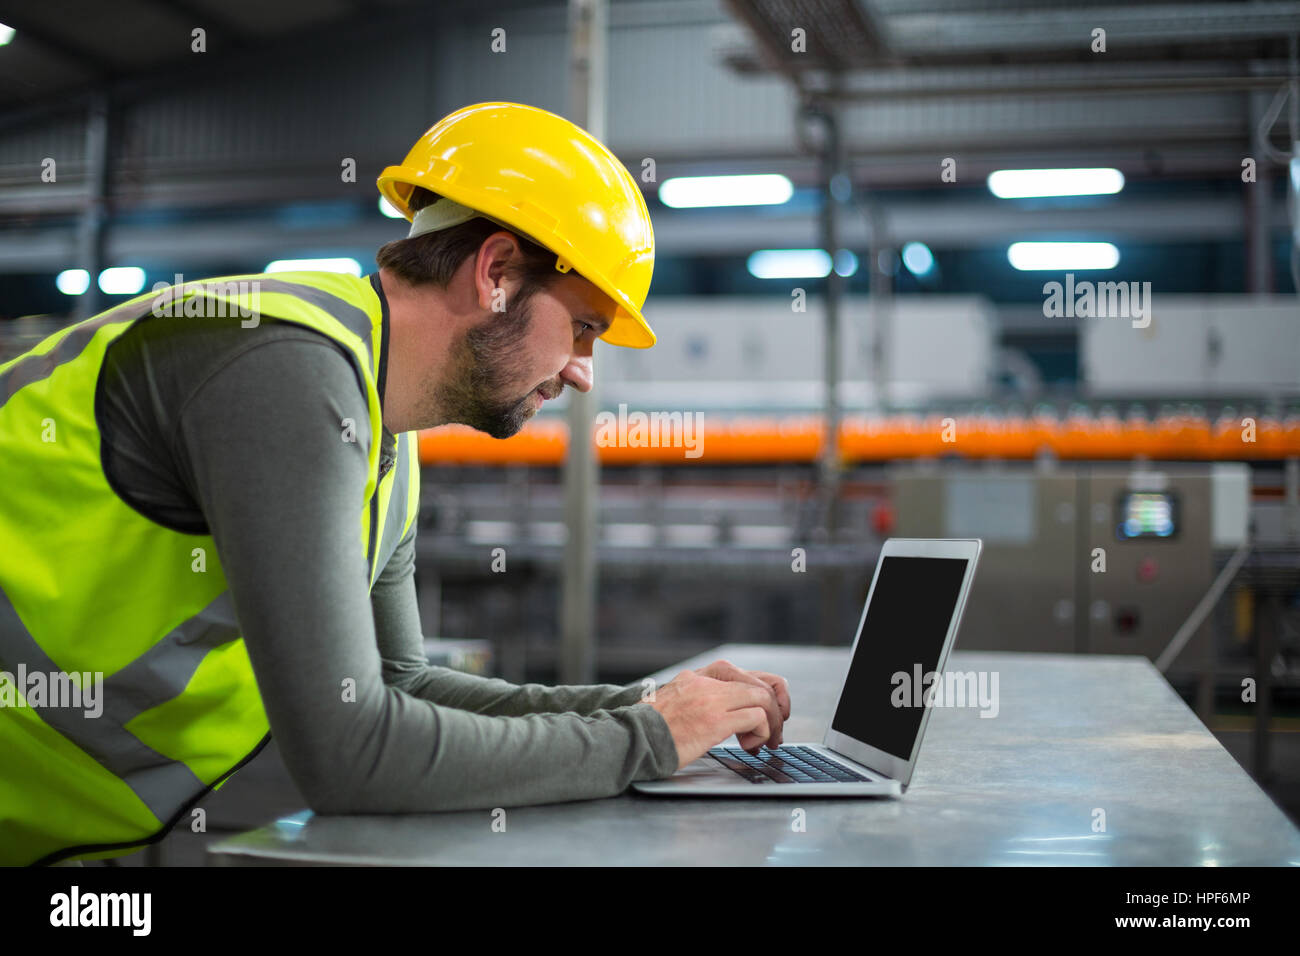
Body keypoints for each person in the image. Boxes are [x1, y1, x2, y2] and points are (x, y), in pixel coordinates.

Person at [0, 101, 789, 867]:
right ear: (497, 273)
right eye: (584, 327)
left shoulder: (380, 423)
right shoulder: (285, 368)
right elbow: (352, 754)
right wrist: (651, 741)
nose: (584, 372)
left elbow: (398, 682)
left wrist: (650, 707)